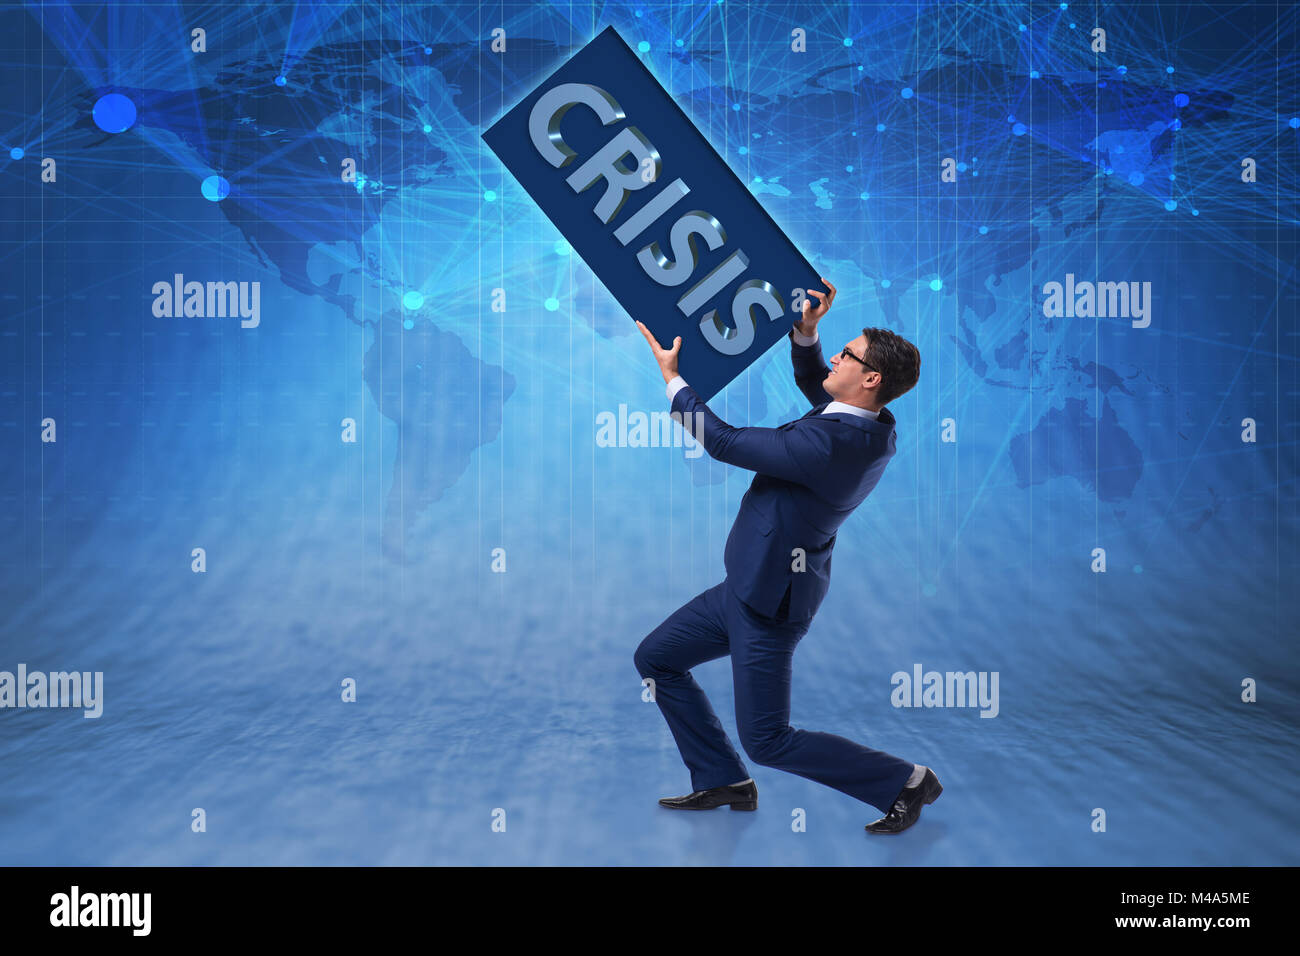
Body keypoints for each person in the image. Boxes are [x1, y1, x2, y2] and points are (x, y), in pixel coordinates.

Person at [632, 278, 940, 834]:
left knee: (769, 740)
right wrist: (808, 334)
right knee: (656, 659)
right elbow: (820, 388)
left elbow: (723, 442)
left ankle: (905, 781)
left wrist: (672, 378)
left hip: (770, 606)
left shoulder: (830, 446)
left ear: (870, 378)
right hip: (742, 587)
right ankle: (722, 778)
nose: (837, 358)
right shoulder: (871, 423)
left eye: (847, 353)